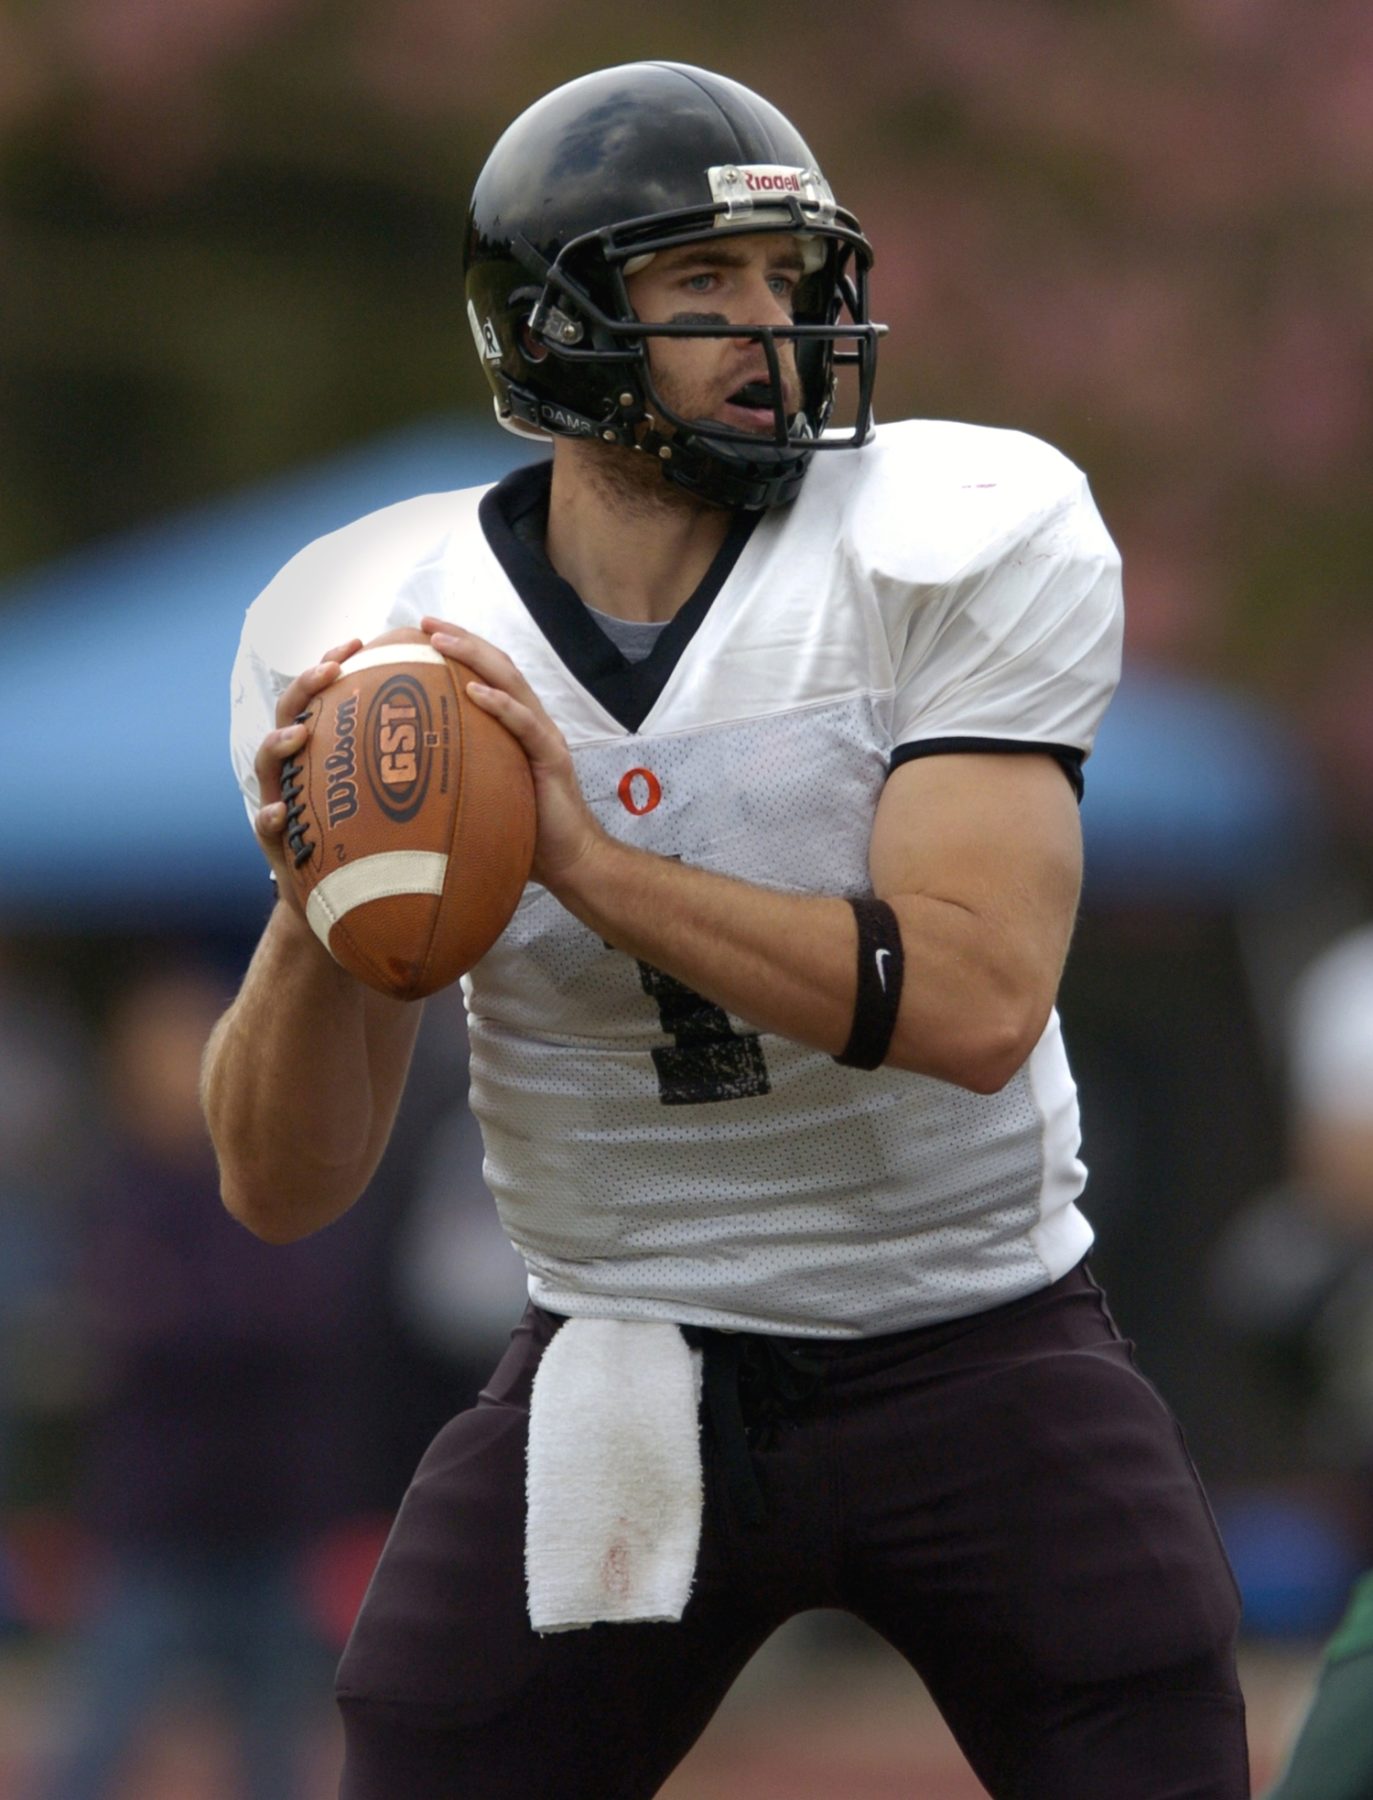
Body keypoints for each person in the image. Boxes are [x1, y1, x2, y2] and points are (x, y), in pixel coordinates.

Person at [203, 61, 1249, 1799]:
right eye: (705, 285)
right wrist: (324, 911)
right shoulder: (376, 629)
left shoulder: (950, 534)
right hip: (623, 1344)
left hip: (972, 1332)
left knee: (1148, 1725)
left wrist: (582, 861)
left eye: (788, 280)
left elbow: (979, 996)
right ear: (555, 324)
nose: (772, 329)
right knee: (419, 1741)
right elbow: (282, 1187)